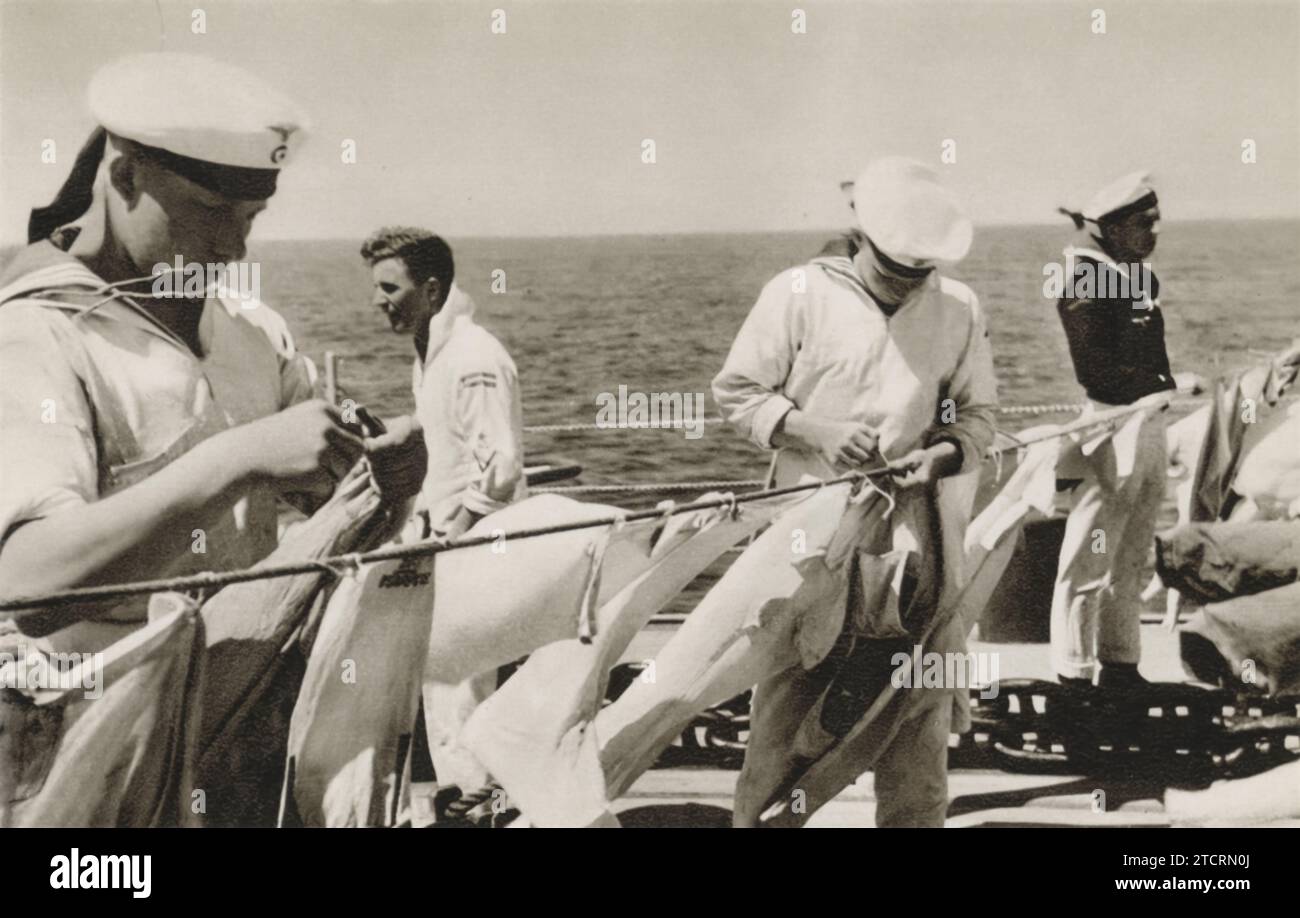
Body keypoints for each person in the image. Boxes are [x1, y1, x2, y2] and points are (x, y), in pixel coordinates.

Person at [593, 156, 998, 827]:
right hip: (806, 541)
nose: (906, 286)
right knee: (786, 710)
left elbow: (977, 415)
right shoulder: (796, 294)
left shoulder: (959, 309)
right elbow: (738, 394)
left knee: (916, 722)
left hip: (915, 547)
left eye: (919, 274)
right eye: (893, 269)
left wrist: (942, 453)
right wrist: (815, 430)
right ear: (859, 236)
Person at [0, 53, 422, 659]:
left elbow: (331, 496)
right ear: (123, 178)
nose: (234, 246)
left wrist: (386, 483)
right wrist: (239, 458)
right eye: (209, 210)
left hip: (248, 688)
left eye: (250, 216)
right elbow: (27, 588)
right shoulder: (35, 336)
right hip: (106, 724)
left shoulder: (254, 332)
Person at [359, 227, 525, 822]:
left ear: (430, 289)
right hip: (448, 548)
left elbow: (501, 467)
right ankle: (471, 809)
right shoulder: (434, 349)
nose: (379, 300)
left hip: (476, 552)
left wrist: (450, 534)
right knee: (444, 695)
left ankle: (479, 814)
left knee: (462, 700)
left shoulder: (474, 358)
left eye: (389, 288)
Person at [1052, 172, 1205, 689]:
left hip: (1147, 423)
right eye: (1144, 222)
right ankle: (1073, 670)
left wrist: (1160, 391)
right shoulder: (1085, 278)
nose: (1154, 231)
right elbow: (1095, 370)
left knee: (1132, 553)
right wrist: (1164, 384)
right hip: (1113, 427)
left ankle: (1120, 666)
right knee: (1091, 553)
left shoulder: (1129, 275)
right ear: (1112, 228)